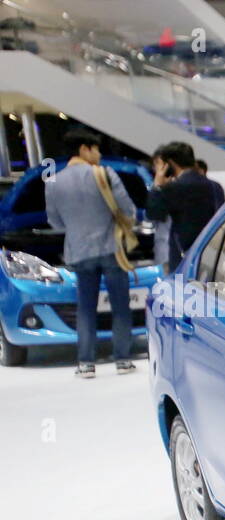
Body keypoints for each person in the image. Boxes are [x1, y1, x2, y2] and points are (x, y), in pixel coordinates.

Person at [44, 129, 138, 378]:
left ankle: (86, 363)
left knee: (85, 308)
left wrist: (76, 228)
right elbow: (127, 208)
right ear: (85, 149)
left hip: (78, 251)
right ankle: (123, 360)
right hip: (111, 249)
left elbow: (54, 222)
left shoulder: (53, 181)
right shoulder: (105, 173)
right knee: (120, 305)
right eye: (96, 149)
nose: (98, 154)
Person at [146, 141, 221, 272]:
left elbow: (154, 213)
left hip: (183, 258)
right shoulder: (215, 186)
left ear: (170, 163)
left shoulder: (173, 189)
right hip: (213, 255)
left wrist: (157, 185)